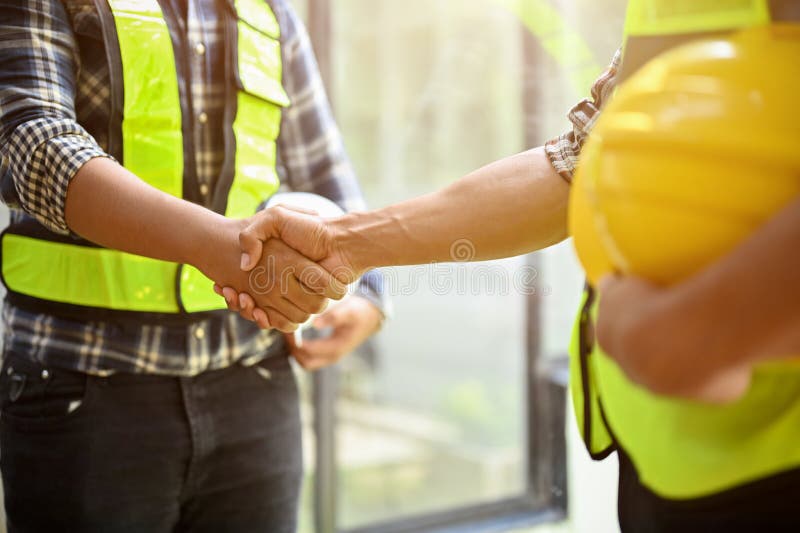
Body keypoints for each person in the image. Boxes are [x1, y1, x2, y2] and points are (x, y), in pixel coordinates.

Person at [225, 1, 800, 530]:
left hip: (770, 460)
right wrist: (346, 242)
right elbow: (575, 163)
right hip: (673, 455)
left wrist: (693, 334)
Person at [0, 0, 385, 531]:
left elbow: (322, 167)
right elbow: (36, 147)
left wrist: (365, 293)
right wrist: (221, 245)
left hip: (253, 382)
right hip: (83, 390)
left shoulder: (270, 9)